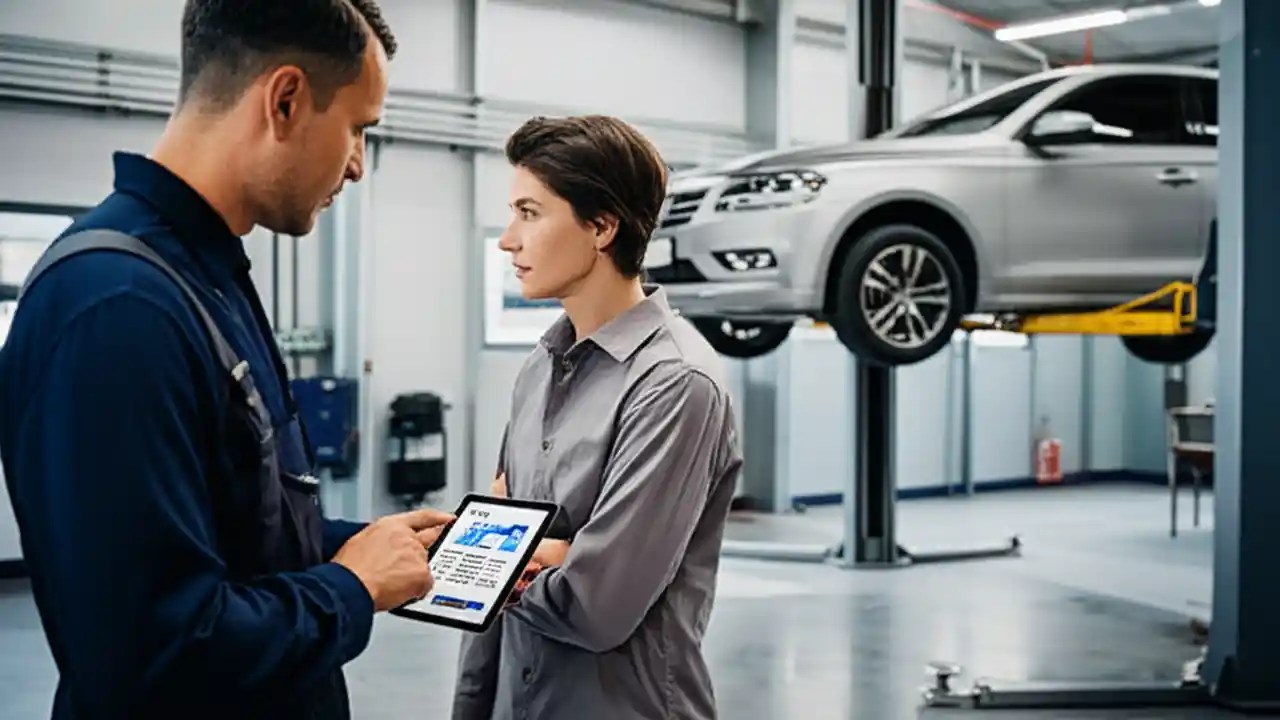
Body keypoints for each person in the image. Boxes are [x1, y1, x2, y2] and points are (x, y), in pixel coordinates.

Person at [0, 2, 453, 718]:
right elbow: (155, 652)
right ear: (285, 101)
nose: (360, 165)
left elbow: (236, 530)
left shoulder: (201, 278)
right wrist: (352, 589)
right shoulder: (118, 307)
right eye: (360, 129)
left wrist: (365, 544)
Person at [451, 116, 744, 720]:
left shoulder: (675, 384)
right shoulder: (539, 367)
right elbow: (480, 574)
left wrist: (495, 557)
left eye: (529, 213)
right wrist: (550, 554)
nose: (509, 239)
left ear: (602, 226)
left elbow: (595, 606)